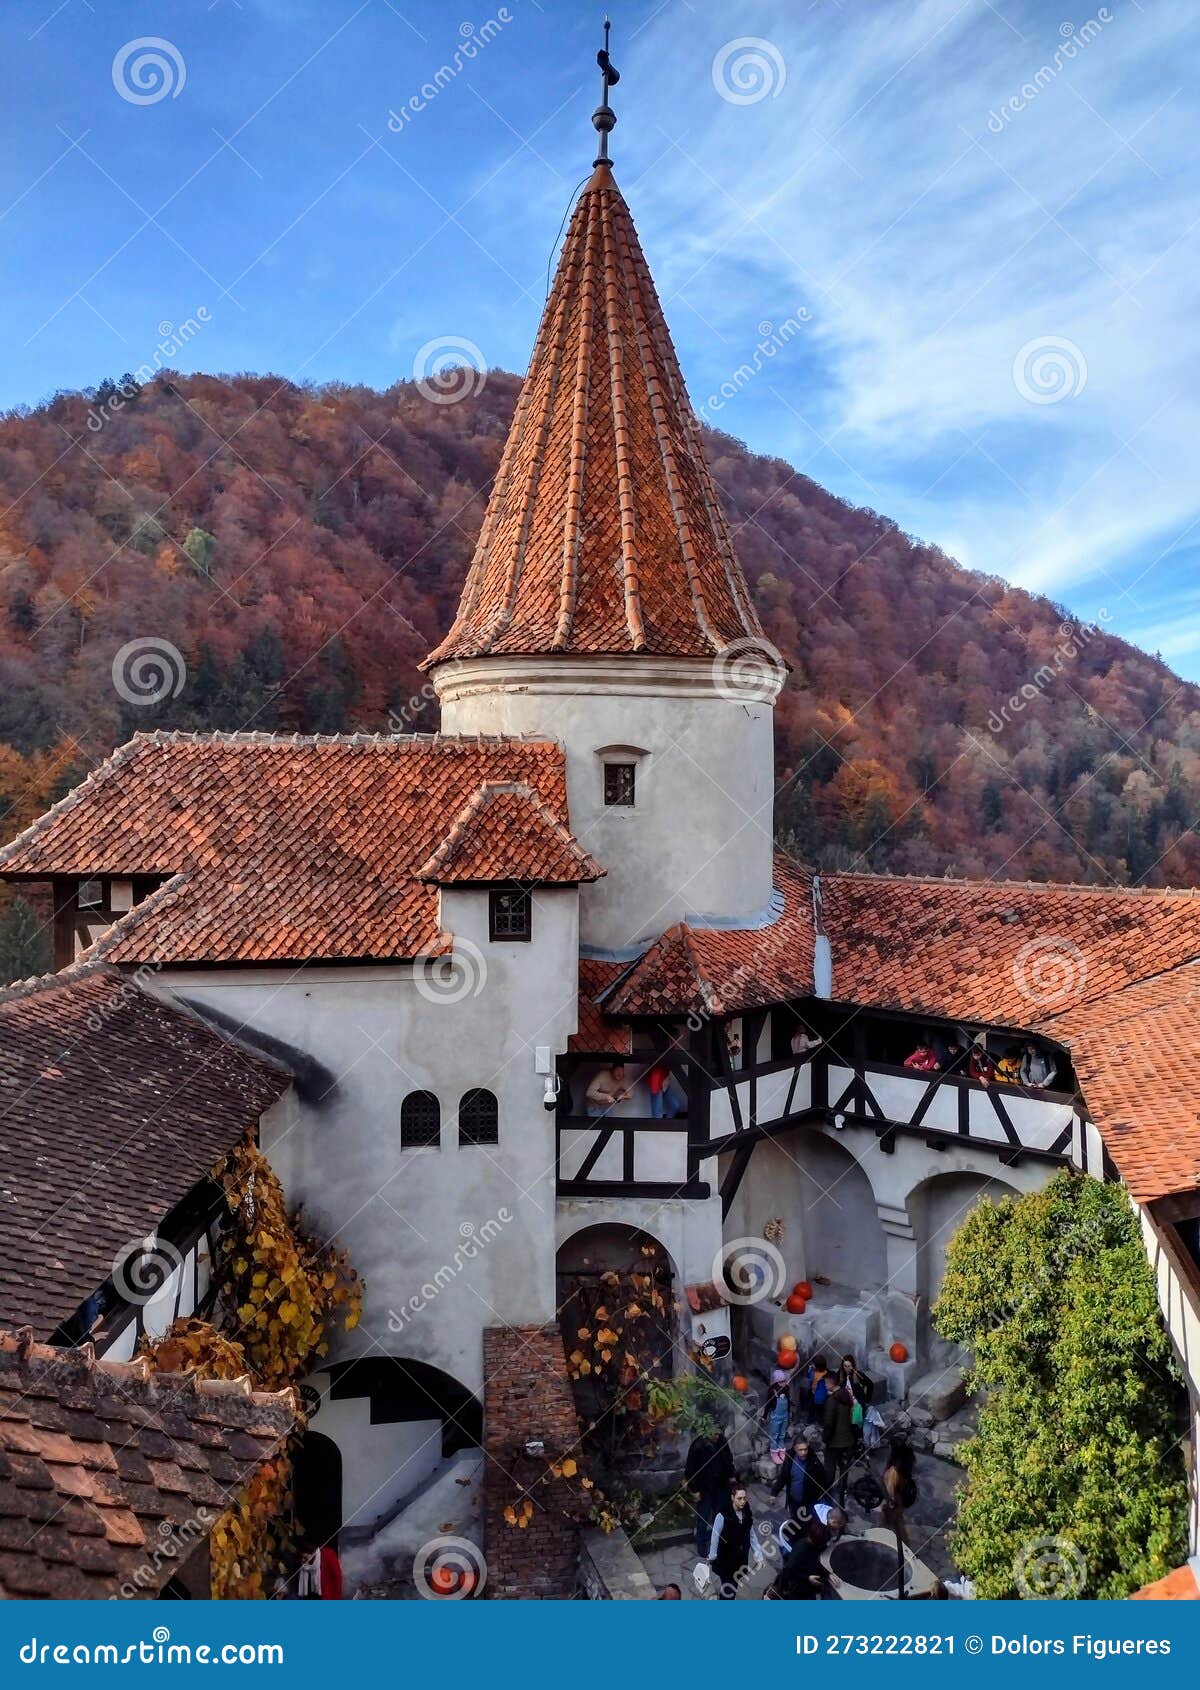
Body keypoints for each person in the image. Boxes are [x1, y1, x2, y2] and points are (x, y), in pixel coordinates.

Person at [684, 1428, 734, 1558]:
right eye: (714, 1433)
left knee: (720, 1515)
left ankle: (719, 1542)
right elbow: (690, 1470)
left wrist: (731, 1476)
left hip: (721, 1486)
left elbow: (728, 1459)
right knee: (703, 1517)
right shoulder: (698, 1445)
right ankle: (702, 1544)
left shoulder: (722, 1441)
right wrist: (694, 1490)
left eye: (718, 1432)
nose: (717, 1435)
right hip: (705, 1488)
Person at [707, 1483, 754, 1599]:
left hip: (740, 1559)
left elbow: (751, 1533)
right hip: (726, 1560)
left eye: (744, 1498)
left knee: (733, 1586)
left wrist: (757, 1552)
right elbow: (715, 1536)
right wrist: (712, 1555)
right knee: (729, 1589)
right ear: (732, 1498)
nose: (743, 1501)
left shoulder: (746, 1513)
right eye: (739, 1498)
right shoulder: (723, 1515)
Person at [773, 1518, 839, 1600]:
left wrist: (827, 1574)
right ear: (818, 1542)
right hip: (797, 1586)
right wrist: (807, 1578)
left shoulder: (814, 1543)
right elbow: (788, 1571)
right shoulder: (800, 1552)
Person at [771, 1435, 829, 1522]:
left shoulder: (814, 1461)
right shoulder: (790, 1460)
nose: (803, 1452)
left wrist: (824, 1498)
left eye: (805, 1449)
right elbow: (783, 1476)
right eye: (800, 1450)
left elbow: (822, 1479)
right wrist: (774, 1493)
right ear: (795, 1449)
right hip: (794, 1500)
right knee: (796, 1520)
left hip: (809, 1500)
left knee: (808, 1521)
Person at [823, 1385, 858, 1507]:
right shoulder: (847, 1397)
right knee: (844, 1470)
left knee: (830, 1469)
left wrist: (825, 1439)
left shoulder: (832, 1401)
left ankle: (827, 1496)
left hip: (834, 1443)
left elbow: (829, 1423)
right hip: (848, 1441)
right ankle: (842, 1497)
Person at [881, 1438, 918, 1546]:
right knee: (898, 1523)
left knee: (888, 1524)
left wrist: (888, 1504)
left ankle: (904, 1547)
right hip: (900, 1501)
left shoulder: (894, 1471)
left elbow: (890, 1490)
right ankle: (906, 1546)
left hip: (894, 1502)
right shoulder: (905, 1462)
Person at [763, 1380, 791, 1463]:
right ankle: (774, 1452)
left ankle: (781, 1450)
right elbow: (768, 1404)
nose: (783, 1383)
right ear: (776, 1382)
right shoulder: (772, 1391)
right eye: (781, 1381)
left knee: (782, 1434)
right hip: (775, 1417)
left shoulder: (786, 1388)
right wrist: (764, 1416)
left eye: (784, 1381)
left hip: (784, 1416)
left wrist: (789, 1412)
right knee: (774, 1435)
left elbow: (788, 1401)